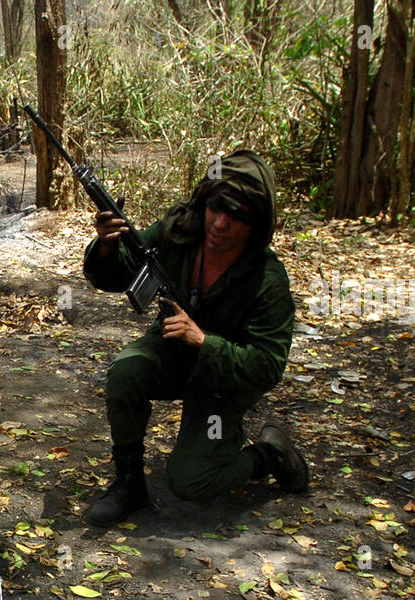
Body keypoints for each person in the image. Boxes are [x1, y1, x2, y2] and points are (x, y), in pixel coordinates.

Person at [82, 149, 309, 527]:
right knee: (126, 372)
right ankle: (128, 484)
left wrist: (204, 341)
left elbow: (267, 367)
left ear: (256, 224)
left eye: (235, 216)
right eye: (215, 209)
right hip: (172, 350)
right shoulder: (179, 233)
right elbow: (117, 275)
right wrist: (108, 244)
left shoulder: (267, 279)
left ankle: (269, 455)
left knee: (191, 481)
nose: (220, 223)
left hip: (224, 380)